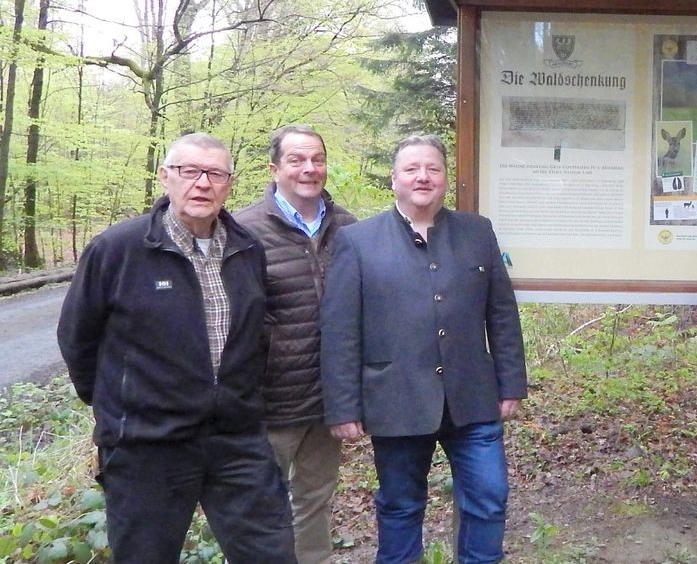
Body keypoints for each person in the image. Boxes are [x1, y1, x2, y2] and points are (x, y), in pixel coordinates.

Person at [57, 133, 296, 563]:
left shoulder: (247, 250)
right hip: (148, 446)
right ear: (166, 177)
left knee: (271, 553)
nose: (202, 183)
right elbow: (78, 339)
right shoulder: (118, 250)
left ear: (230, 184)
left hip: (236, 440)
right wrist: (122, 405)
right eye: (190, 172)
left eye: (215, 174)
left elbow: (258, 336)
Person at [321, 134, 528, 564]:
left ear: (445, 178)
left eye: (433, 168)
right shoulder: (358, 241)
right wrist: (343, 407)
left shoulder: (477, 231)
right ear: (394, 179)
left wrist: (511, 383)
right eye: (412, 169)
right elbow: (341, 331)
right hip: (396, 398)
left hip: (472, 397)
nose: (423, 177)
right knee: (400, 507)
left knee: (489, 497)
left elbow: (502, 314)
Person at [235, 125, 358, 564]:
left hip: (329, 400)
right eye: (297, 160)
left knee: (315, 501)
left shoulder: (349, 227)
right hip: (270, 402)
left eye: (318, 160)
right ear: (275, 169)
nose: (310, 169)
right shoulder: (243, 230)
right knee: (261, 506)